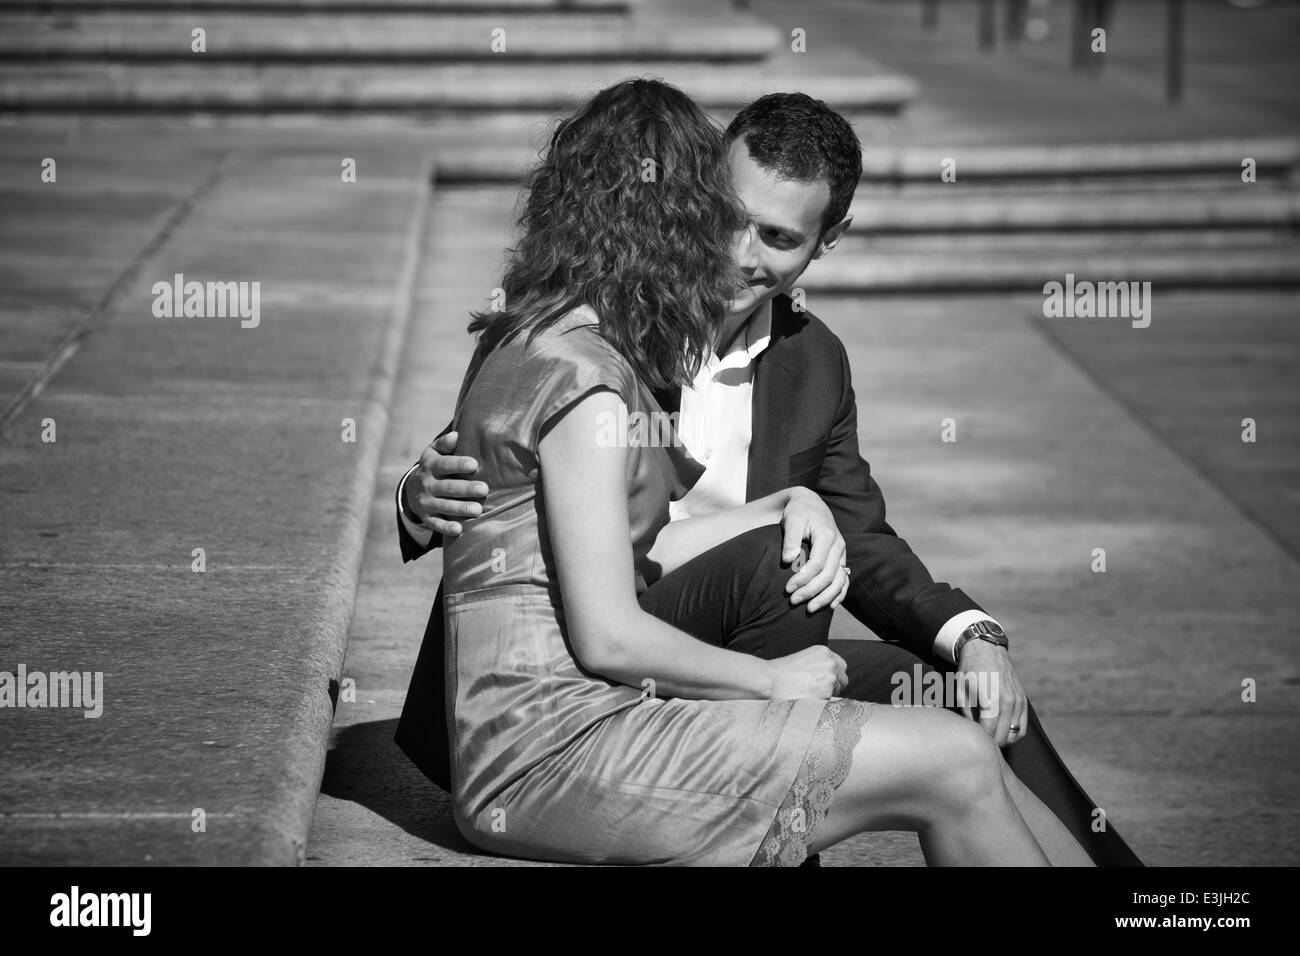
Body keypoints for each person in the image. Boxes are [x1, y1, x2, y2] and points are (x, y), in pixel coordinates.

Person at [397, 89, 1144, 866]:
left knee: (953, 700)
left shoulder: (810, 361)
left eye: (778, 236)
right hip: (577, 685)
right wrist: (418, 493)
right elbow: (497, 470)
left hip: (678, 633)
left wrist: (969, 633)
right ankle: (779, 809)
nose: (739, 253)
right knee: (788, 571)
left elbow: (858, 537)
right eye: (724, 216)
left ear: (827, 241)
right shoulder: (595, 348)